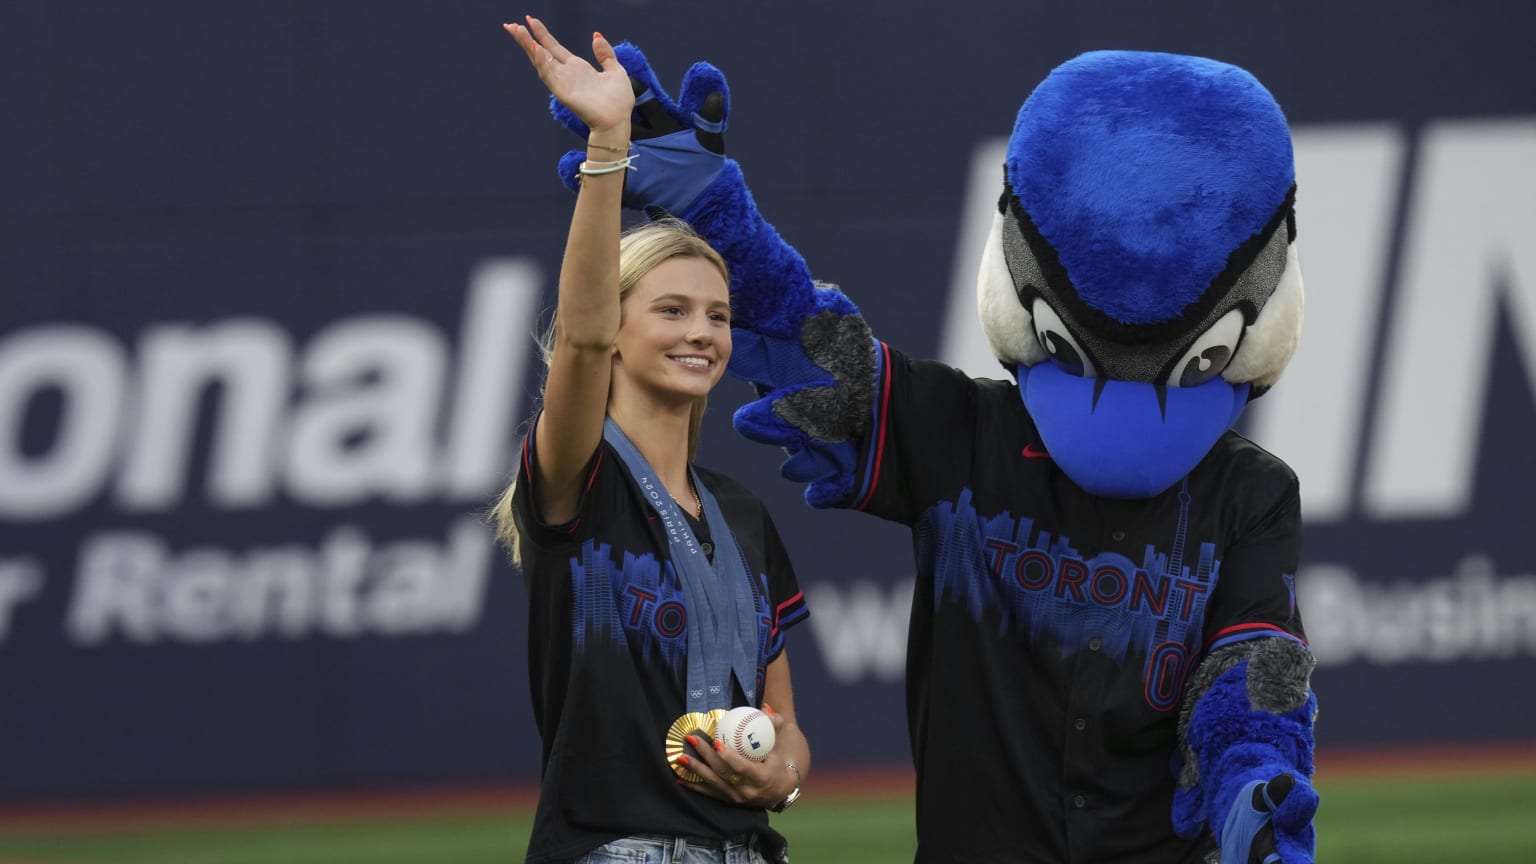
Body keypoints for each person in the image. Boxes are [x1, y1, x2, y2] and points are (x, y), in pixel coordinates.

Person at [537, 45, 1321, 863]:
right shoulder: (962, 430)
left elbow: (1251, 668)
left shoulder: (1251, 492)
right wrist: (707, 202)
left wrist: (1253, 794)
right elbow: (810, 343)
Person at [490, 18, 810, 864]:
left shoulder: (743, 516)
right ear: (619, 329)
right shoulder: (578, 479)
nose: (702, 331)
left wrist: (780, 778)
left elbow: (787, 731)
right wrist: (608, 143)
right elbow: (583, 337)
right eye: (670, 310)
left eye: (719, 315)